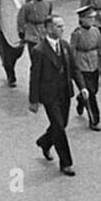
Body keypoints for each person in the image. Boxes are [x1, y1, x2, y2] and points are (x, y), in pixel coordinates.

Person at [29, 14, 86, 174]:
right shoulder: (39, 51)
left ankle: (45, 142)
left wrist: (82, 87)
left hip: (64, 92)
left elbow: (74, 69)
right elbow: (34, 76)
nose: (62, 29)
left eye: (62, 26)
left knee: (62, 124)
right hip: (49, 96)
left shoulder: (65, 46)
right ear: (48, 29)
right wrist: (33, 100)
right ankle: (65, 163)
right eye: (58, 26)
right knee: (59, 127)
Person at [68, 4, 101, 131]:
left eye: (93, 18)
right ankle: (94, 120)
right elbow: (72, 51)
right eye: (89, 18)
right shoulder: (77, 34)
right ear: (82, 19)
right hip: (82, 65)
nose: (92, 20)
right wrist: (72, 68)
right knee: (90, 94)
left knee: (94, 90)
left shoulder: (96, 31)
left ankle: (81, 99)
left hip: (94, 63)